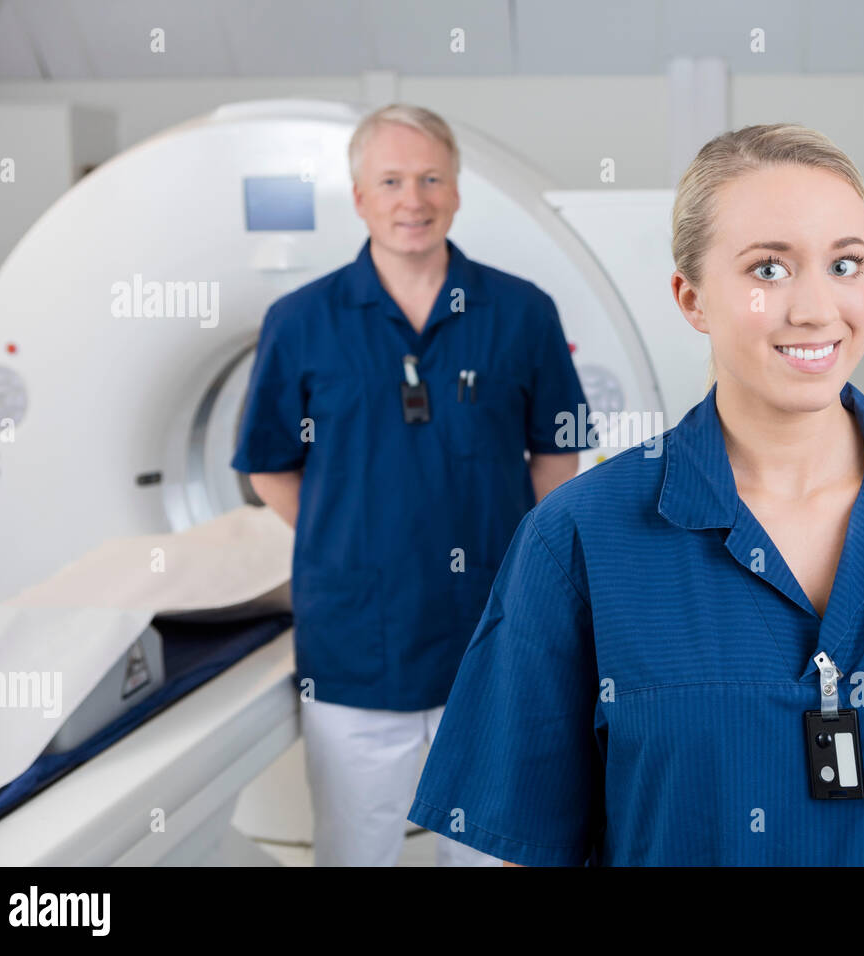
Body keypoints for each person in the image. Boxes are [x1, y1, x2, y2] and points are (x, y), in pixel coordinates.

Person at [405, 123, 864, 866]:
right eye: (769, 270)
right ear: (692, 299)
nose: (817, 308)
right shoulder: (577, 541)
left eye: (844, 263)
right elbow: (532, 846)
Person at [231, 104, 587, 866]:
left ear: (456, 190)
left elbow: (558, 463)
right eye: (390, 180)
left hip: (493, 629)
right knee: (355, 851)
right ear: (359, 196)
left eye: (430, 178)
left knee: (493, 850)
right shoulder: (300, 319)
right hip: (358, 637)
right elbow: (268, 466)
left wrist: (532, 578)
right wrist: (349, 544)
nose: (412, 199)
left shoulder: (521, 312)